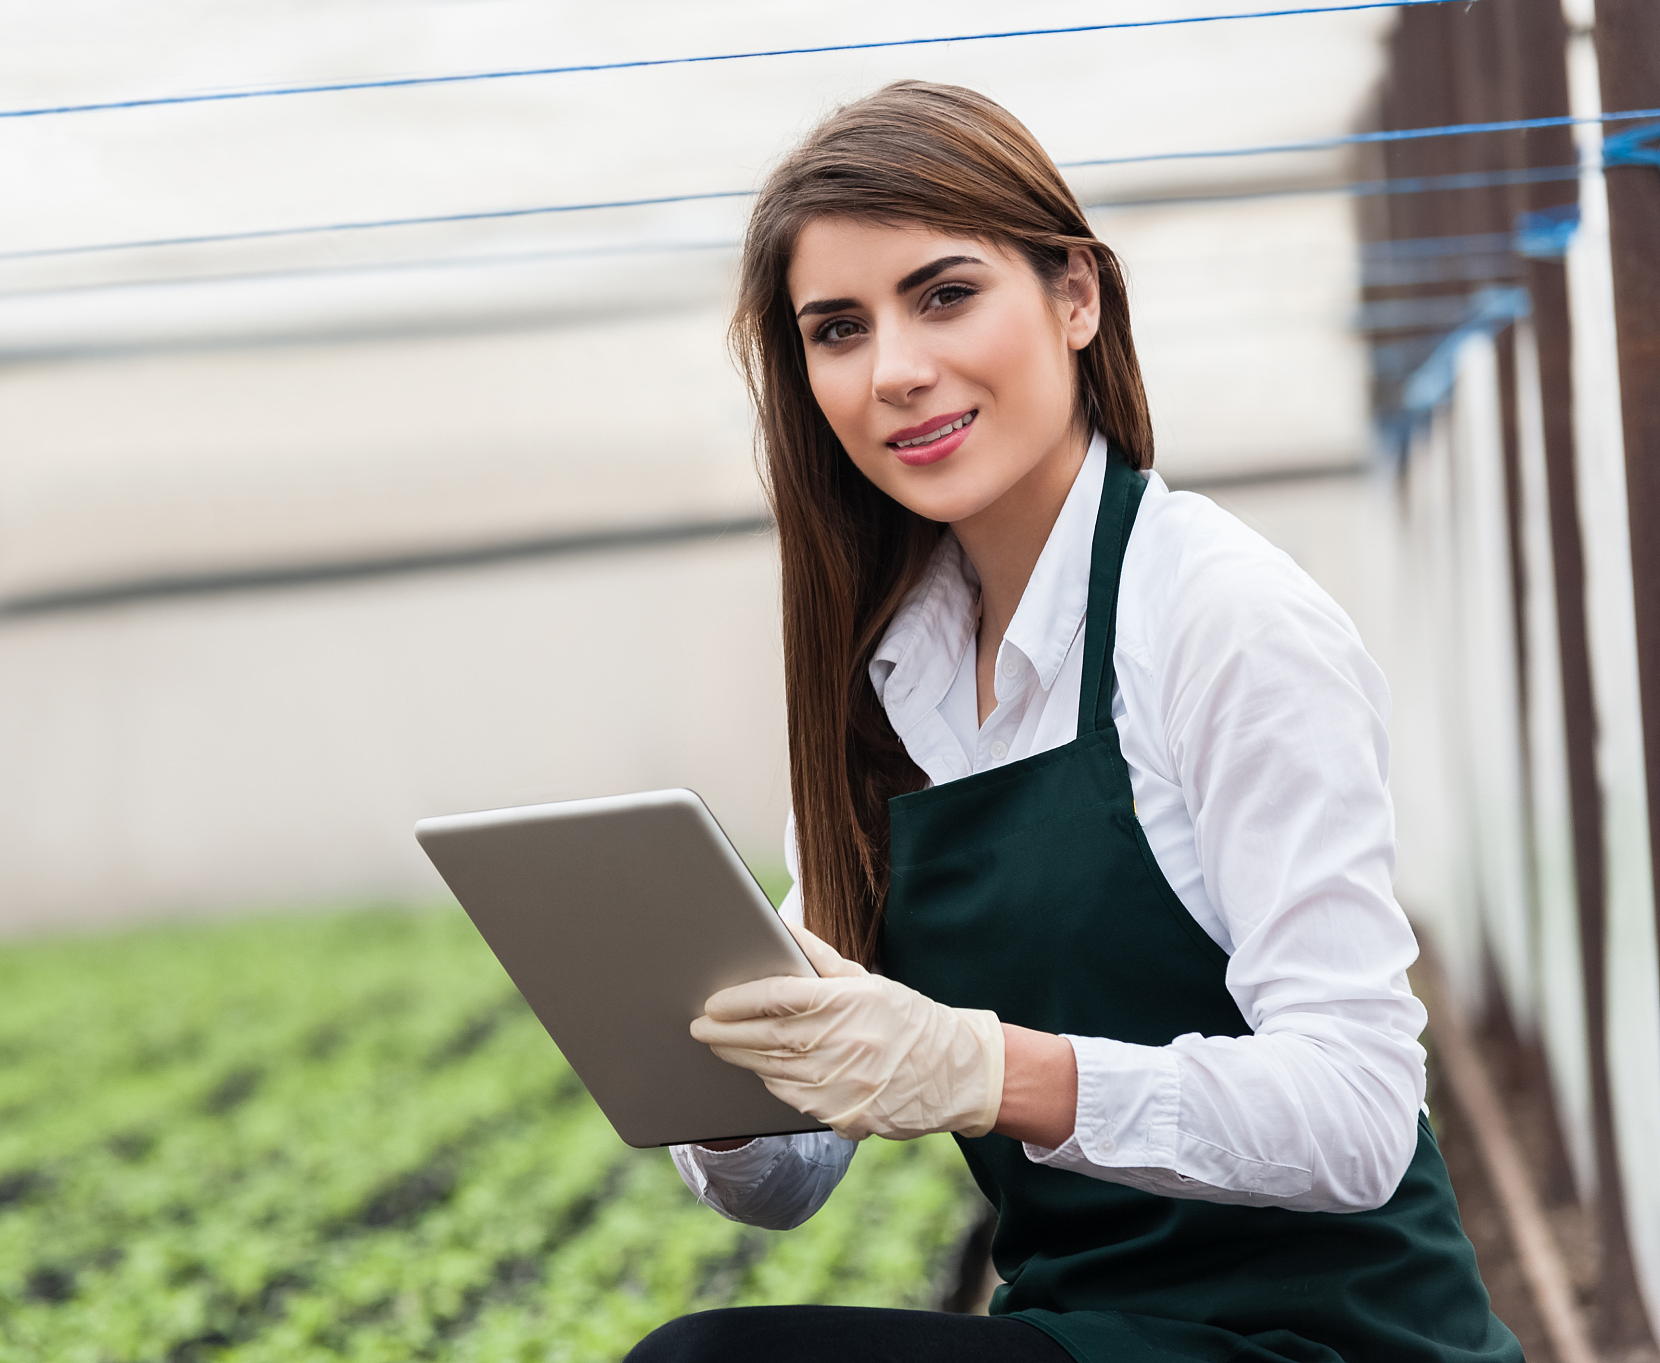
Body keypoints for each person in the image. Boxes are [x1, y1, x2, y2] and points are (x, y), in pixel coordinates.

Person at [626, 82, 1521, 1363]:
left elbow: (1357, 1108)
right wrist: (717, 1085)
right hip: (1085, 1331)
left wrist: (998, 1071)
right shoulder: (884, 680)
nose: (895, 370)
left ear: (1075, 297)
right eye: (836, 329)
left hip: (1336, 1339)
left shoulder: (1223, 618)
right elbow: (785, 1184)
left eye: (944, 294)